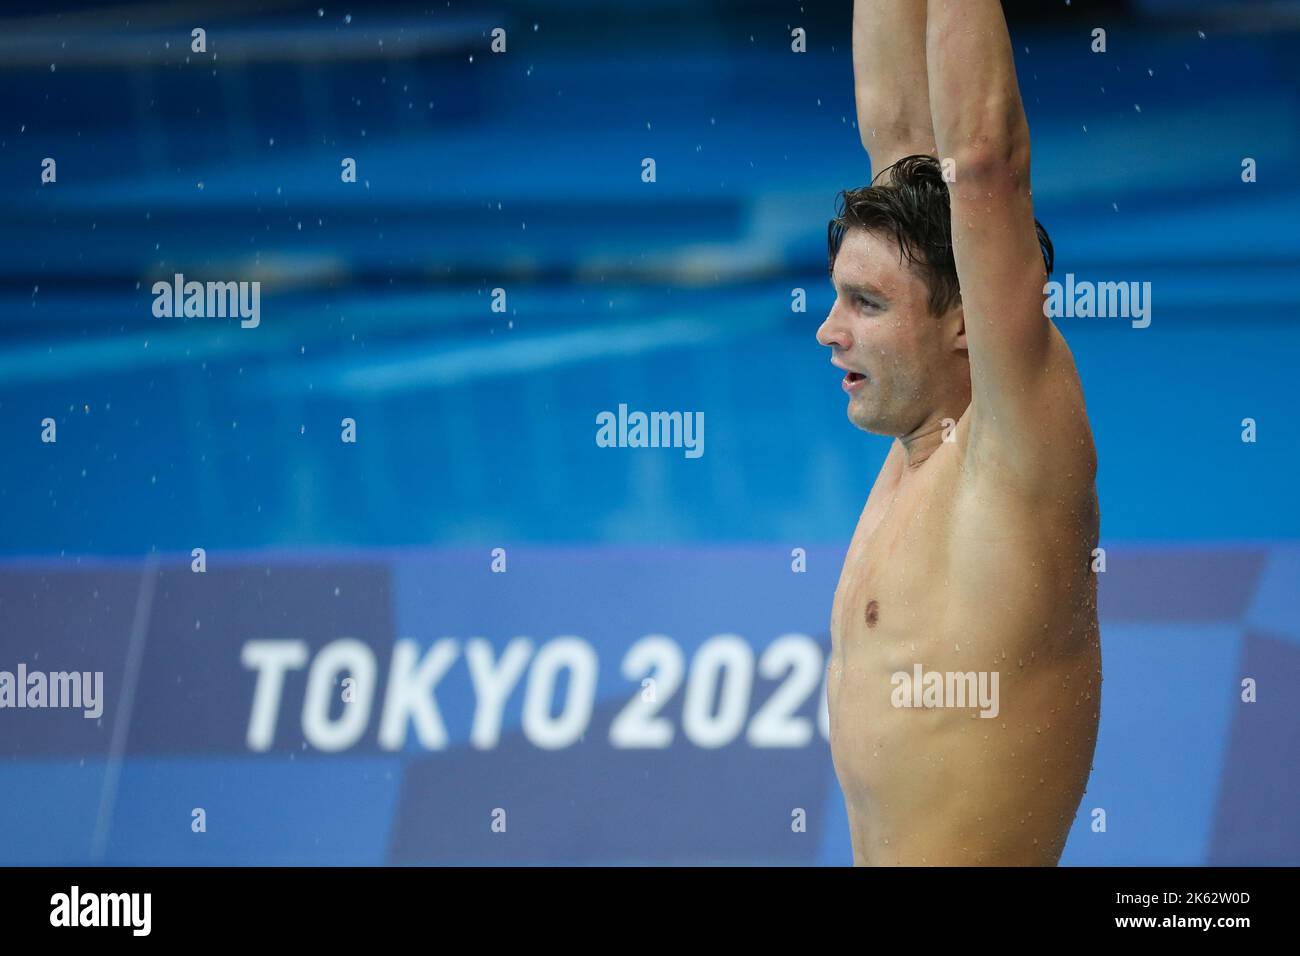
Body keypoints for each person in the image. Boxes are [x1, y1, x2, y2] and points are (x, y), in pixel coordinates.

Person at [818, 0, 1102, 865]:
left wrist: (976, 184)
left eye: (866, 305)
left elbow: (980, 166)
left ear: (967, 322)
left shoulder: (1012, 458)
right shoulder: (919, 446)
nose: (830, 330)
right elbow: (906, 138)